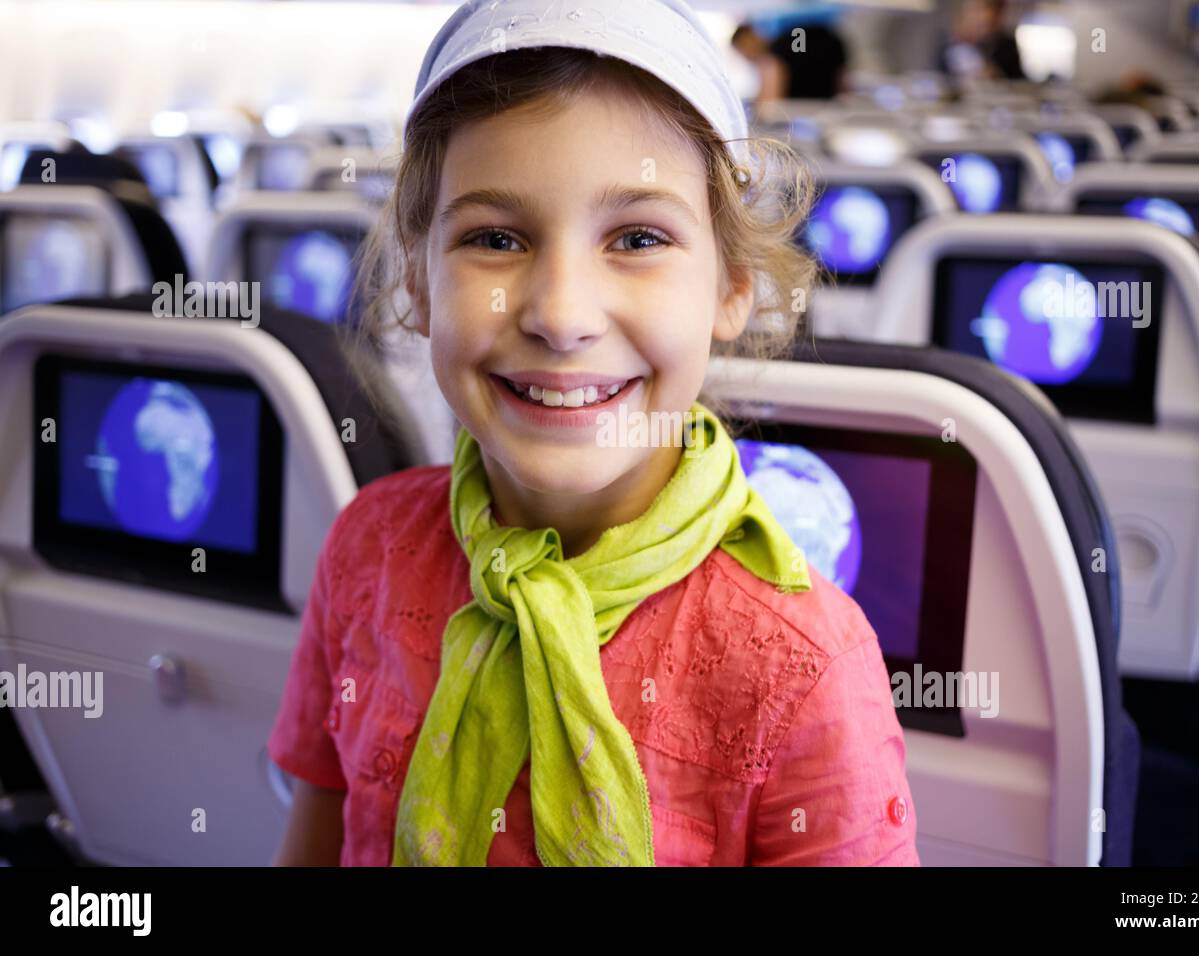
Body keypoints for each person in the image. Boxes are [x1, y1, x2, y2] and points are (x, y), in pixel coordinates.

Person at [267, 0, 918, 868]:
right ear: (417, 283)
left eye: (638, 238)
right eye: (495, 238)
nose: (562, 315)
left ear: (732, 287)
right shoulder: (369, 549)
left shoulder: (802, 662)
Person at [939, 0, 1025, 82]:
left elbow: (1018, 79)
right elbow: (941, 76)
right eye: (976, 13)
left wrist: (997, 75)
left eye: (988, 22)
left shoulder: (1007, 45)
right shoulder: (951, 45)